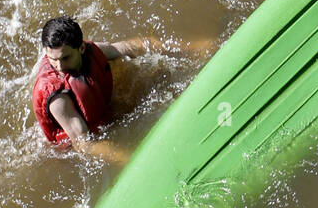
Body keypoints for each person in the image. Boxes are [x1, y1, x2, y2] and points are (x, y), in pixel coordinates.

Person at [31, 15, 212, 165]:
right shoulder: (58, 99)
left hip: (100, 112)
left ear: (81, 48)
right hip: (71, 145)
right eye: (52, 59)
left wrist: (193, 49)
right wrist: (136, 161)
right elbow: (84, 144)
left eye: (65, 58)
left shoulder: (92, 51)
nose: (59, 66)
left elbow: (132, 46)